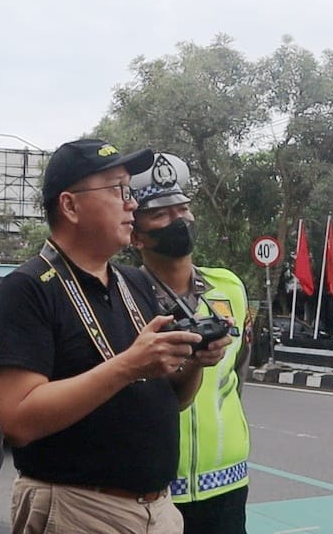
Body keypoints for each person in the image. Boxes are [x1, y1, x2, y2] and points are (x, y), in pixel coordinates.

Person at [0, 139, 231, 534]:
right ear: (70, 206)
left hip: (158, 510)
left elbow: (173, 400)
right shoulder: (27, 290)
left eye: (128, 191)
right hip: (76, 508)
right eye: (117, 190)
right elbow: (18, 420)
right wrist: (128, 366)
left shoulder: (134, 282)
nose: (131, 203)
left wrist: (191, 364)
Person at [128, 153, 251, 534]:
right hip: (155, 491)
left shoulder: (229, 287)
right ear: (135, 235)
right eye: (161, 215)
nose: (178, 220)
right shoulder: (125, 295)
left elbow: (238, 374)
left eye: (182, 208)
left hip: (228, 481)